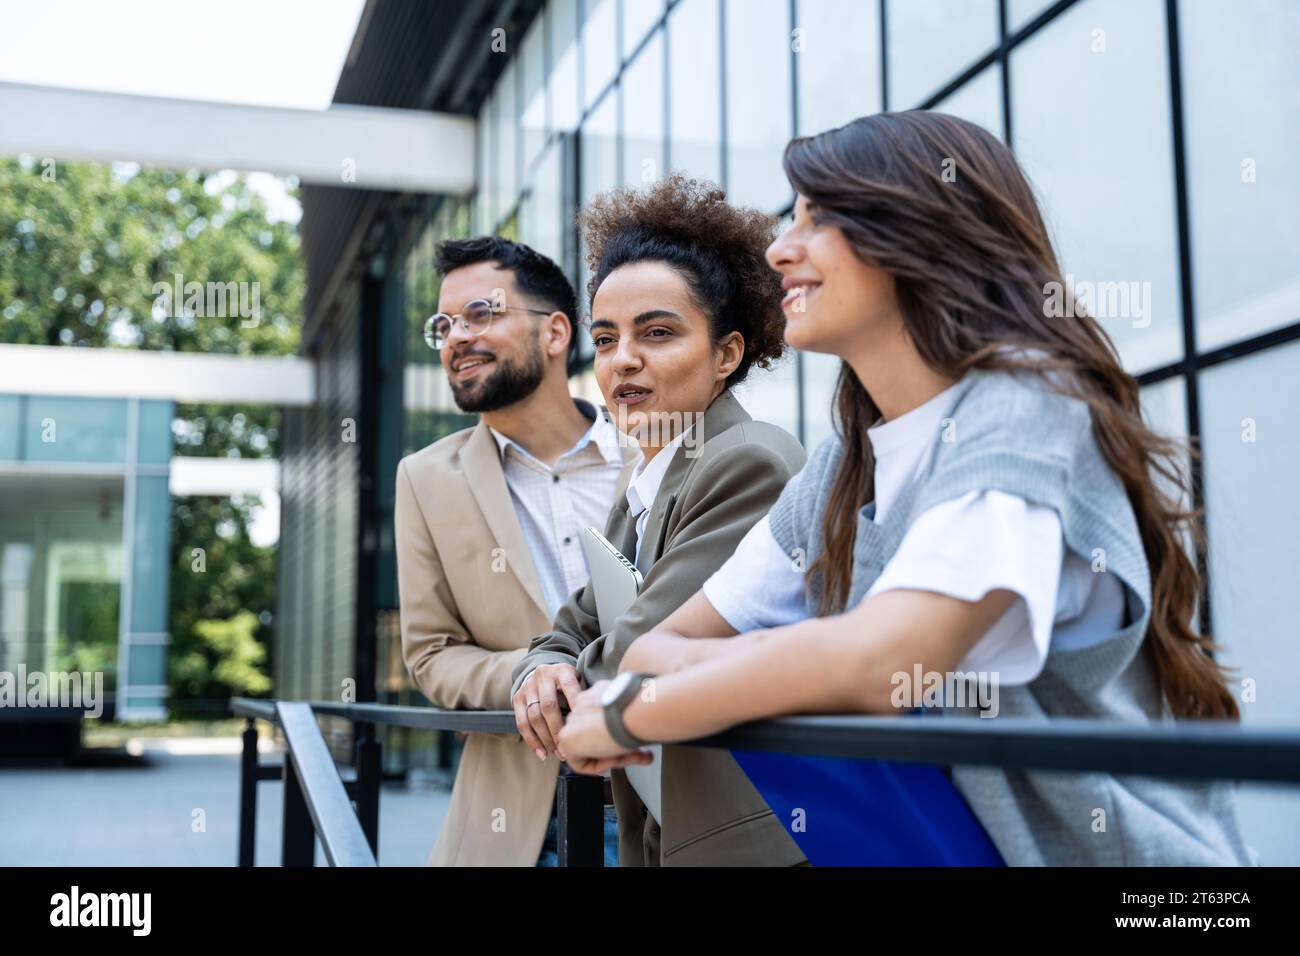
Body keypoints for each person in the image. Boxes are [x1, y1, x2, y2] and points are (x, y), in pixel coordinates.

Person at [556, 112, 1258, 866]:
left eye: (818, 219)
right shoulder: (842, 465)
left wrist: (642, 711)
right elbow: (658, 648)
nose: (781, 249)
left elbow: (881, 664)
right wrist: (687, 681)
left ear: (921, 231)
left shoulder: (1027, 413)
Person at [510, 174, 807, 866]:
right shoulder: (649, 480)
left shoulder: (749, 462)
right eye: (607, 338)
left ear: (727, 354)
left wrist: (558, 673)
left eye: (658, 333)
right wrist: (541, 666)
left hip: (750, 848)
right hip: (664, 828)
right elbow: (575, 625)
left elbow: (638, 647)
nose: (623, 361)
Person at [395, 236, 635, 866]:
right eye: (443, 324)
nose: (455, 337)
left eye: (481, 314)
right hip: (522, 824)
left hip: (666, 804)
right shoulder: (425, 478)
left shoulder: (656, 455)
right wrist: (531, 674)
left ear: (555, 333)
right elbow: (431, 654)